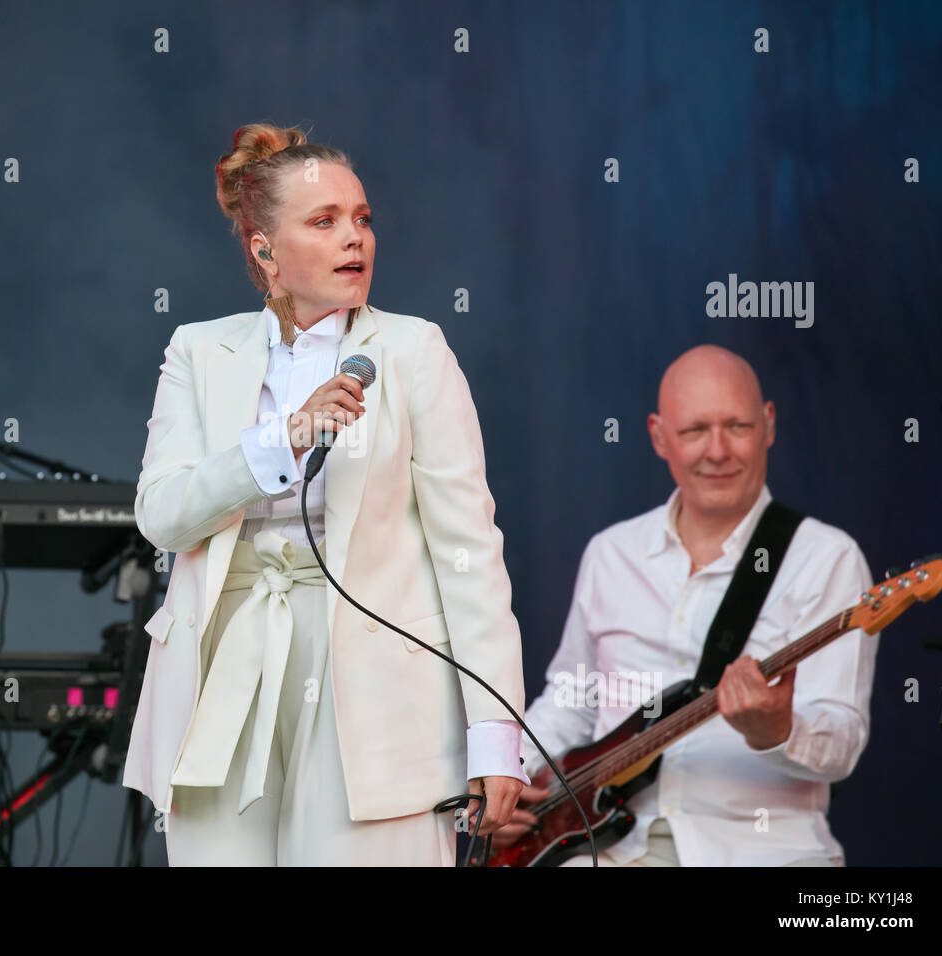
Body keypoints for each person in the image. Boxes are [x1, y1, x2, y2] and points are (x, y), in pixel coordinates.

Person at [123, 123, 532, 865]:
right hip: (226, 668)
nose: (356, 239)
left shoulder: (414, 350)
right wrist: (283, 440)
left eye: (363, 219)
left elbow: (470, 554)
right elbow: (163, 515)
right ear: (264, 250)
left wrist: (496, 734)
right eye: (325, 221)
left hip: (375, 686)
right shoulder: (197, 349)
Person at [493, 345, 877, 866]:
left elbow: (843, 742)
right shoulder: (613, 552)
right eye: (695, 430)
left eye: (737, 426)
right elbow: (571, 700)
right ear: (658, 436)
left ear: (768, 425)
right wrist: (504, 776)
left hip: (762, 853)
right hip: (606, 849)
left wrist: (778, 730)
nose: (717, 451)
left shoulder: (826, 558)